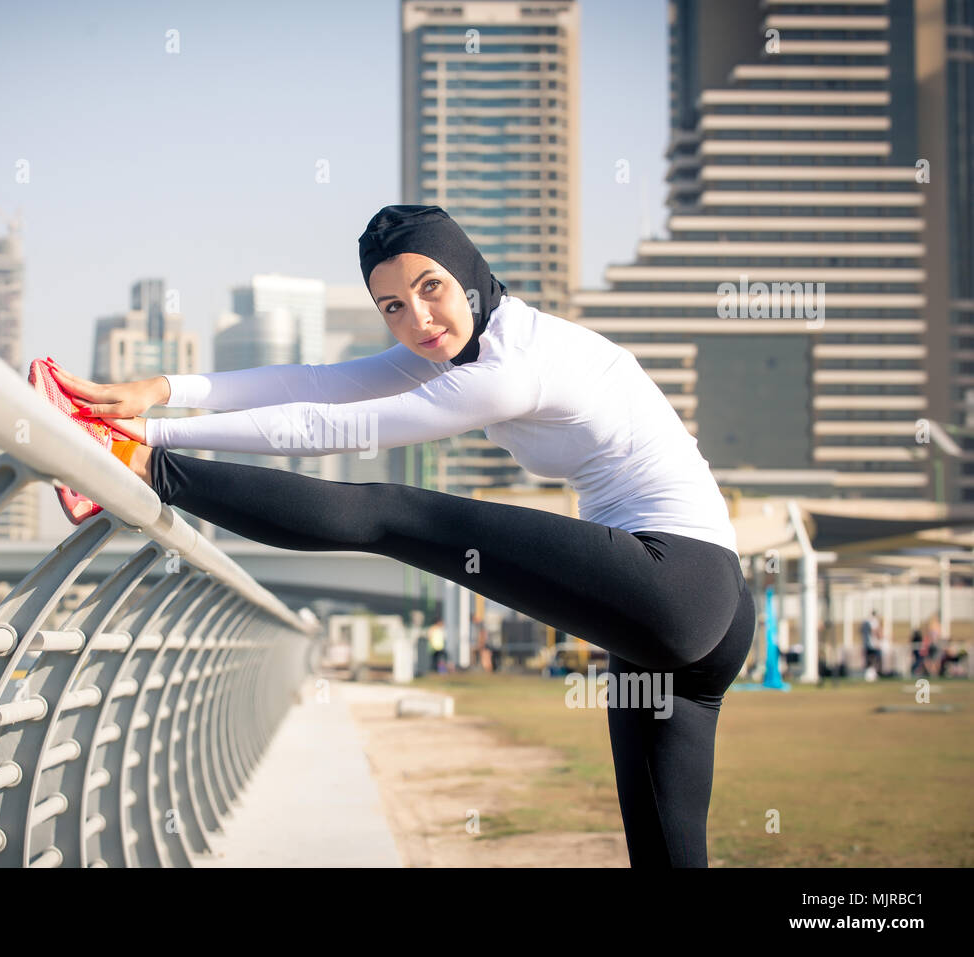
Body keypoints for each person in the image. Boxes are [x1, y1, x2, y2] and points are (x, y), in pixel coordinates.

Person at [38, 203, 755, 868]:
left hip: (673, 583)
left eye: (431, 287)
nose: (418, 318)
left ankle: (141, 470)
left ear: (468, 273)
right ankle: (133, 459)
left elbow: (332, 428)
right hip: (702, 606)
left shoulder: (513, 366)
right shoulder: (471, 344)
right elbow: (316, 384)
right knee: (665, 856)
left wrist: (139, 442)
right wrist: (164, 390)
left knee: (396, 514)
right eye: (393, 306)